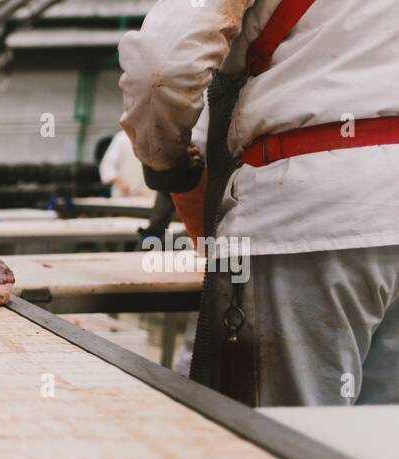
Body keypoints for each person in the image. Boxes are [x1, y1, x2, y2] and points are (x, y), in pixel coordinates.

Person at [119, 0, 399, 406]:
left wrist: (166, 165)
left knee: (284, 448)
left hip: (305, 218)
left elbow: (159, 71)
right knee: (382, 457)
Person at [98, 129, 148, 198]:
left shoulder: (155, 136)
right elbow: (106, 167)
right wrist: (119, 183)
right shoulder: (122, 137)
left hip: (149, 199)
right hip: (123, 198)